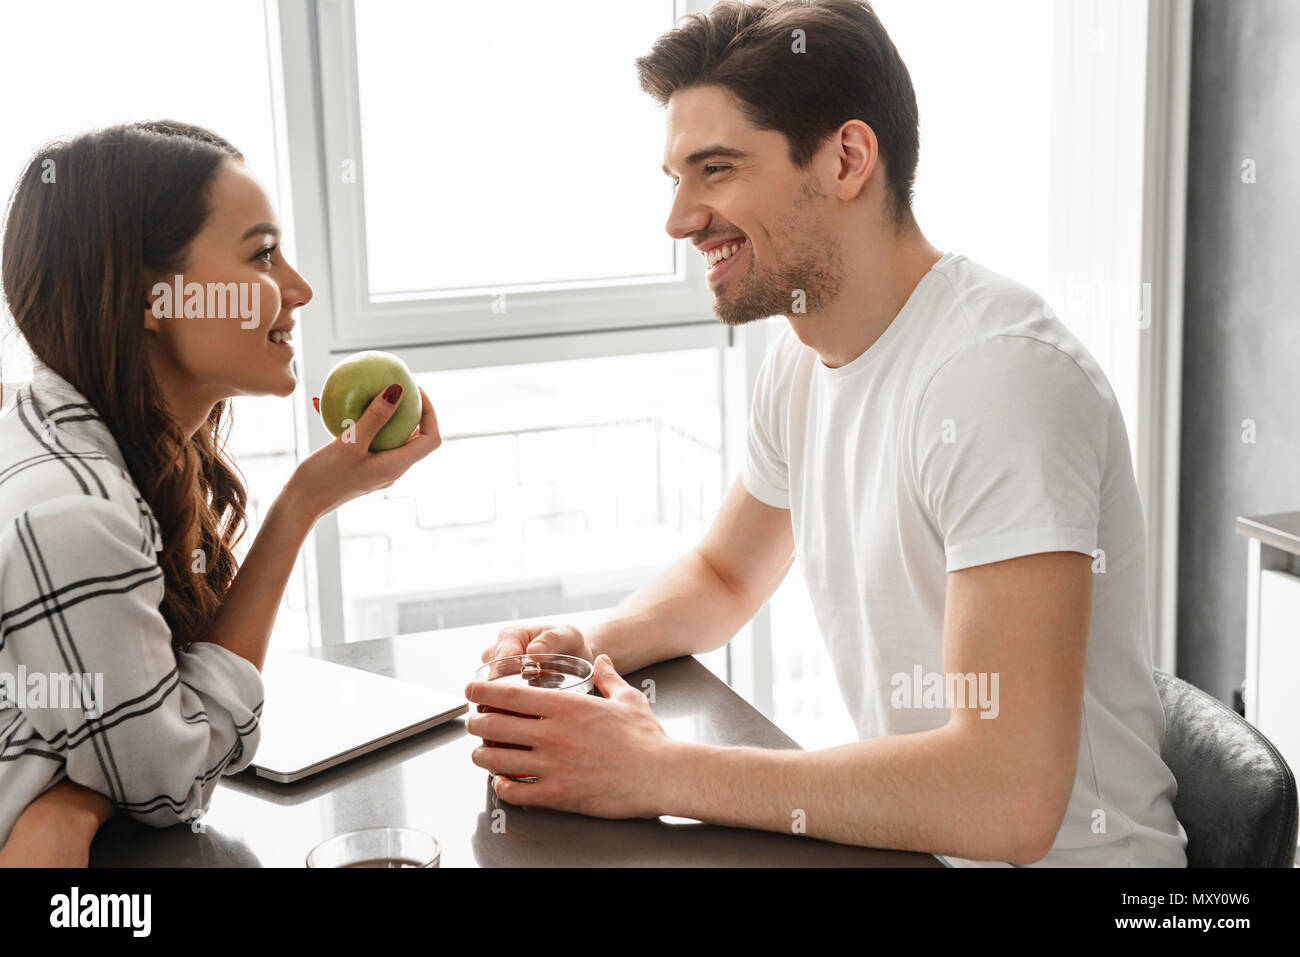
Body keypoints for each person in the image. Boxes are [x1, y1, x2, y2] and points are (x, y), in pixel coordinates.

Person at [466, 0, 1188, 867]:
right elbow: (727, 574)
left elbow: (1009, 795)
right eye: (675, 178)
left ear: (847, 159)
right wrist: (582, 651)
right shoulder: (803, 357)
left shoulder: (1001, 376)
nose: (680, 217)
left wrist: (656, 770)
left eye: (717, 169)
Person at [0, 121, 440, 865]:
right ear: (152, 297)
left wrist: (80, 791)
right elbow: (170, 783)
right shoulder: (73, 512)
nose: (297, 289)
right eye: (262, 255)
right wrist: (300, 505)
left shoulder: (79, 435)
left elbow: (137, 735)